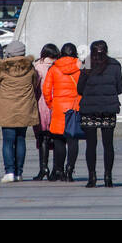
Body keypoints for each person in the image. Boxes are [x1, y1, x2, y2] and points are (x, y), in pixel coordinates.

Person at [76, 40, 122, 187]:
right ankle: (108, 177)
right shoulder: (115, 64)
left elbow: (79, 89)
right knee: (108, 145)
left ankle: (92, 178)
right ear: (106, 51)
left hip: (90, 109)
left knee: (91, 145)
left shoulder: (87, 64)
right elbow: (120, 88)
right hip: (108, 109)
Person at [0, 41, 38, 182]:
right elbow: (35, 84)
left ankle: (9, 171)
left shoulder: (2, 69)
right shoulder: (30, 68)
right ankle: (19, 172)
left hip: (7, 108)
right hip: (25, 108)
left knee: (7, 141)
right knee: (21, 139)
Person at [41, 43, 83, 181]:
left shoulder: (54, 68)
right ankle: (70, 169)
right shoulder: (80, 67)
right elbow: (84, 87)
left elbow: (46, 90)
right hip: (75, 107)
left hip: (59, 108)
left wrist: (51, 104)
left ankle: (58, 170)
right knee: (73, 140)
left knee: (59, 140)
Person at [32, 44, 59, 180]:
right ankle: (57, 169)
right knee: (58, 138)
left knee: (43, 137)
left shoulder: (38, 67)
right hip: (57, 105)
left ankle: (44, 168)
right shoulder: (58, 66)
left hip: (41, 104)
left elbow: (34, 87)